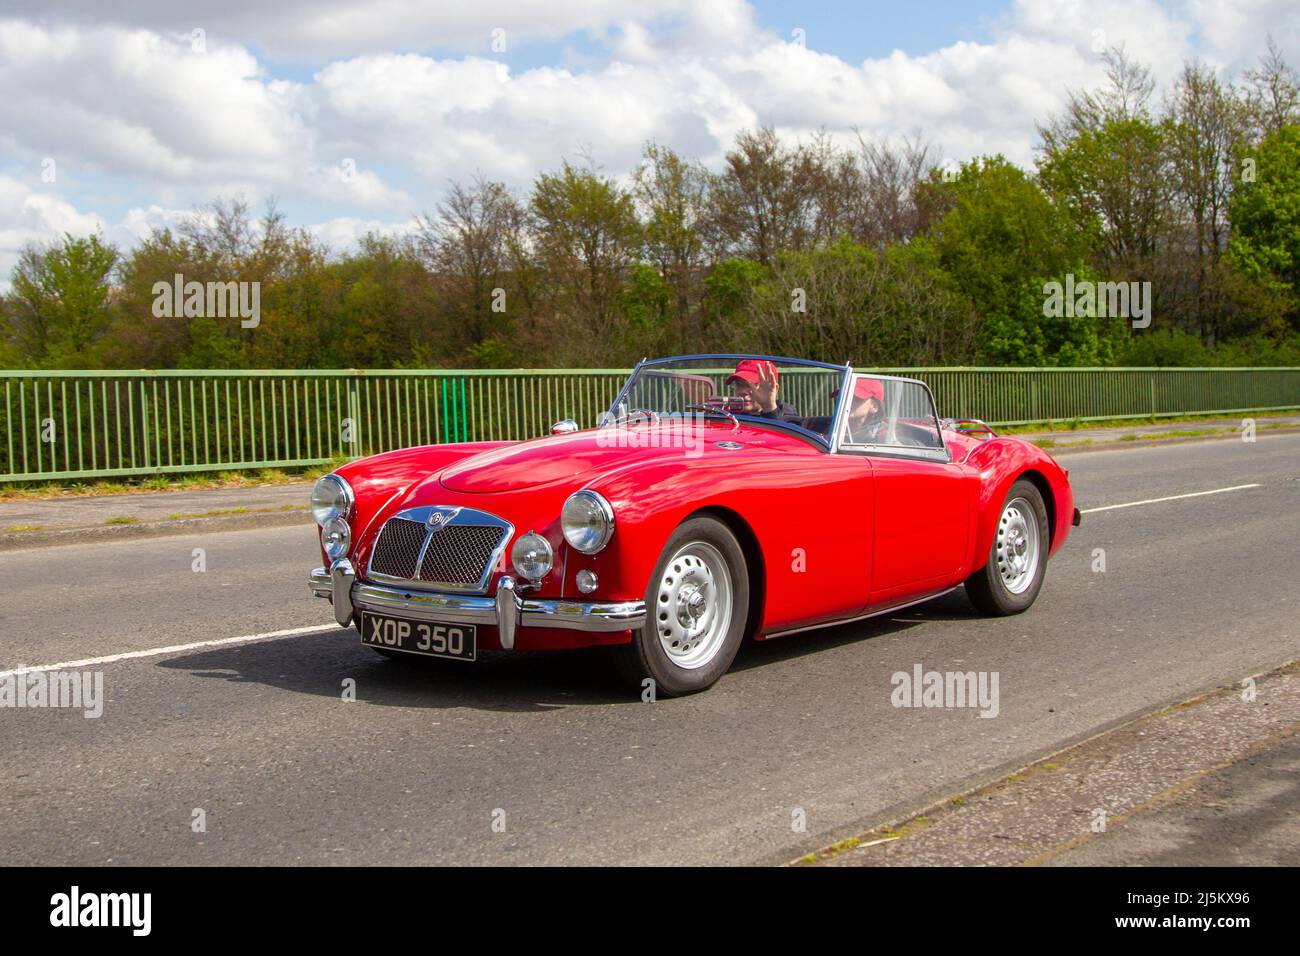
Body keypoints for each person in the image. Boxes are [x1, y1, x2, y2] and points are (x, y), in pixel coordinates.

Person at [726, 359, 801, 422]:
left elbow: (781, 437)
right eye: (739, 384)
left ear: (774, 389)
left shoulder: (788, 418)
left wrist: (769, 409)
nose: (743, 391)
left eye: (752, 385)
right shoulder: (727, 414)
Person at [844, 377, 890, 443]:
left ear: (874, 406)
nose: (845, 401)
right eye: (843, 396)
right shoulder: (828, 429)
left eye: (855, 398)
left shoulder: (884, 438)